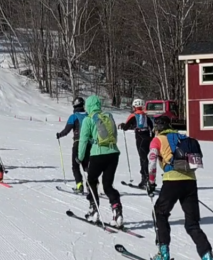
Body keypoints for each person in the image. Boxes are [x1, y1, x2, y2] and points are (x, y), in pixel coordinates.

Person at [146, 115, 213, 260]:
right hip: (190, 181)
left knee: (159, 214)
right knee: (192, 224)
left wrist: (150, 182)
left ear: (157, 128)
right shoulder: (182, 137)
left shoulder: (158, 140)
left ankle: (163, 254)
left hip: (172, 181)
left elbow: (151, 160)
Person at [77, 94, 123, 226]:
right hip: (113, 153)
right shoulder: (108, 116)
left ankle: (94, 209)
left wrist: (80, 158)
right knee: (108, 185)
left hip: (98, 154)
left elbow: (83, 140)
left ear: (89, 106)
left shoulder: (88, 119)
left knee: (91, 181)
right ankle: (117, 209)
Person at [119, 99, 155, 189]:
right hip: (147, 137)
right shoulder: (146, 116)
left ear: (134, 107)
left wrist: (123, 126)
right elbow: (152, 127)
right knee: (146, 158)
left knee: (143, 158)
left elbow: (126, 127)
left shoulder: (133, 115)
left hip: (140, 138)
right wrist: (152, 138)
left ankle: (145, 179)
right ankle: (148, 179)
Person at [56, 97, 89, 193]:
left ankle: (79, 185)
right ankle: (92, 185)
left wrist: (59, 135)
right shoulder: (88, 115)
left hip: (78, 142)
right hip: (89, 144)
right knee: (87, 166)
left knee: (75, 165)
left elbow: (66, 130)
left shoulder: (73, 116)